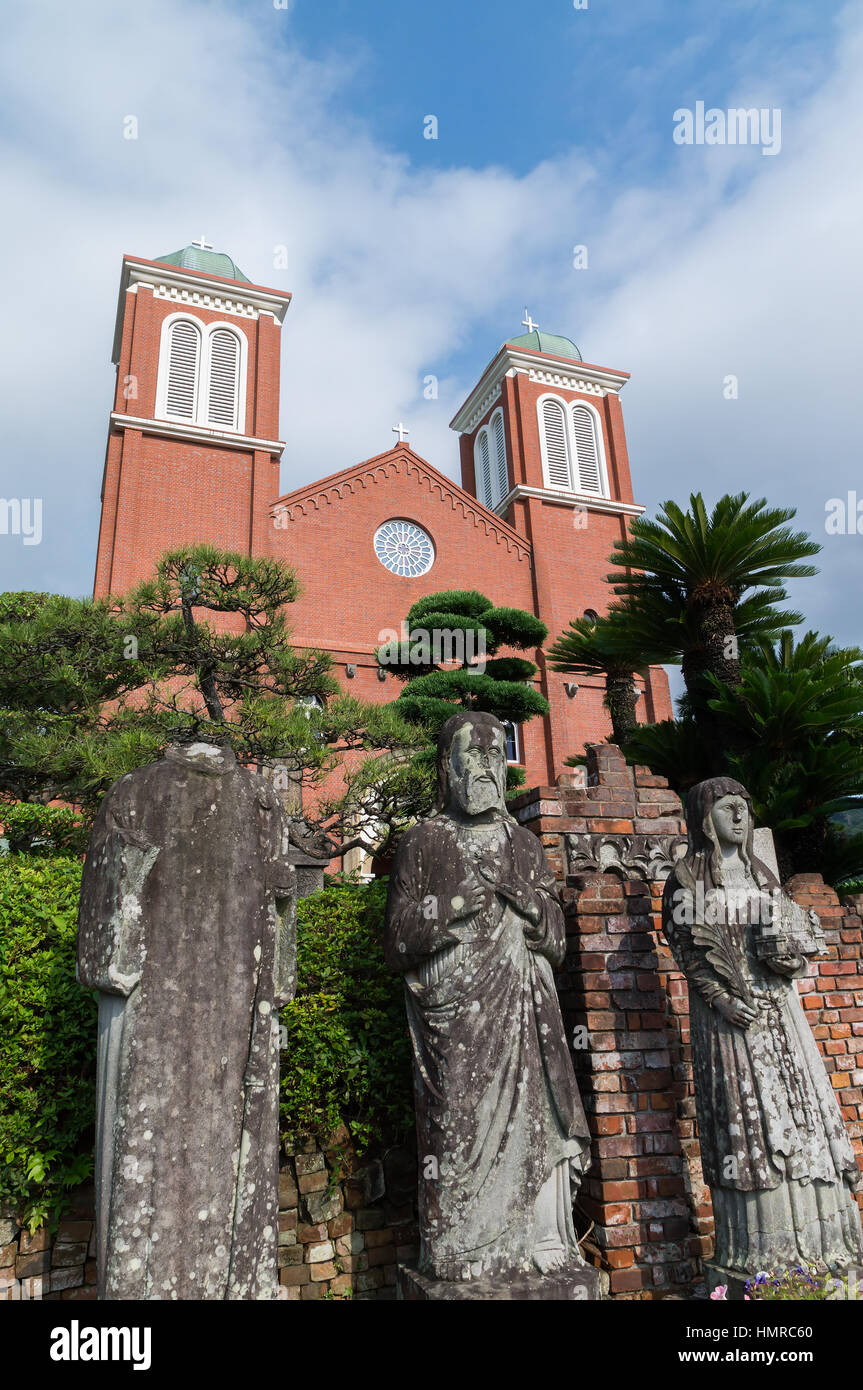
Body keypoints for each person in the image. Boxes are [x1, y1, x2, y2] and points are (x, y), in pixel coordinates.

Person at [385, 711, 591, 1280]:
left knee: (540, 1115)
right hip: (455, 1014)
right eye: (472, 756)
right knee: (457, 1119)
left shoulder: (523, 844)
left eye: (495, 756)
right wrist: (454, 909)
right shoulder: (424, 842)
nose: (485, 767)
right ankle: (461, 1246)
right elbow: (398, 938)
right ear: (447, 768)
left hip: (526, 1005)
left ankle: (542, 1235)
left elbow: (557, 934)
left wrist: (532, 906)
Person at [662, 777, 862, 1278]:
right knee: (751, 1129)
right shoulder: (687, 879)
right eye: (728, 808)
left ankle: (823, 1244)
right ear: (706, 818)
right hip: (729, 1022)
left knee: (804, 1116)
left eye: (744, 809)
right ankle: (762, 1254)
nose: (739, 817)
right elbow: (689, 954)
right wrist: (724, 1001)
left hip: (781, 1013)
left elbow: (785, 933)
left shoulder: (762, 875)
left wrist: (792, 957)